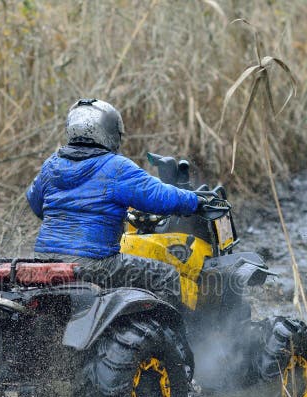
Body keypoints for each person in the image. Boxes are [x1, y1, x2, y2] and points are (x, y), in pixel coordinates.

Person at [25, 98, 204, 307]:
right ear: (110, 133)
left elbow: (36, 203)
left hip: (43, 259)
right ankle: (170, 338)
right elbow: (158, 197)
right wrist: (194, 200)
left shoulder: (51, 164)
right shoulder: (115, 167)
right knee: (165, 276)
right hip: (93, 264)